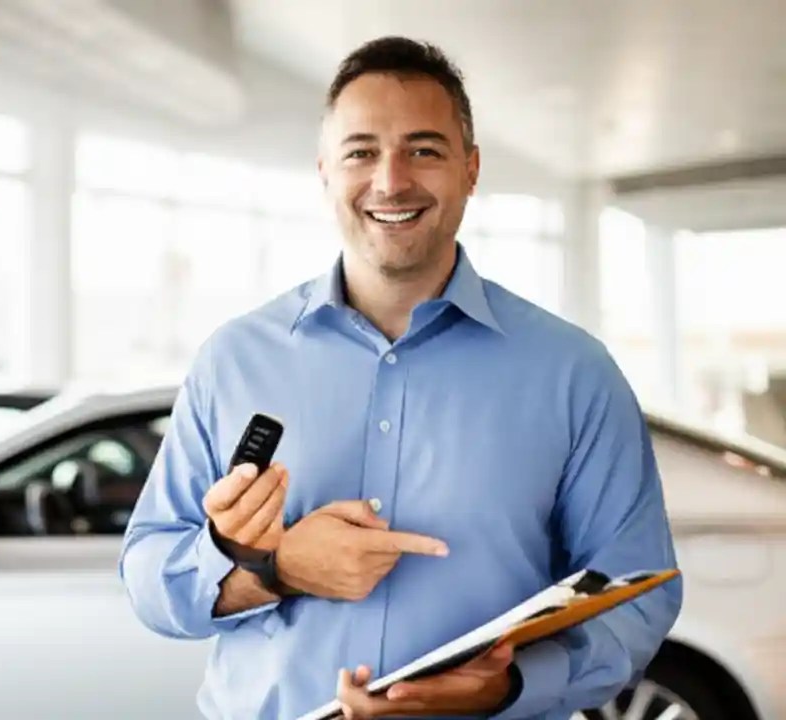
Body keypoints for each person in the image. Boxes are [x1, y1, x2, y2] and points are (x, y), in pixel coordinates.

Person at [118, 36, 683, 720]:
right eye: (361, 152)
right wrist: (268, 566)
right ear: (324, 170)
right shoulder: (233, 359)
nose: (391, 181)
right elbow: (150, 581)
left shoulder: (573, 373)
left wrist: (510, 687)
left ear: (470, 169)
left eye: (424, 149)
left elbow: (637, 589)